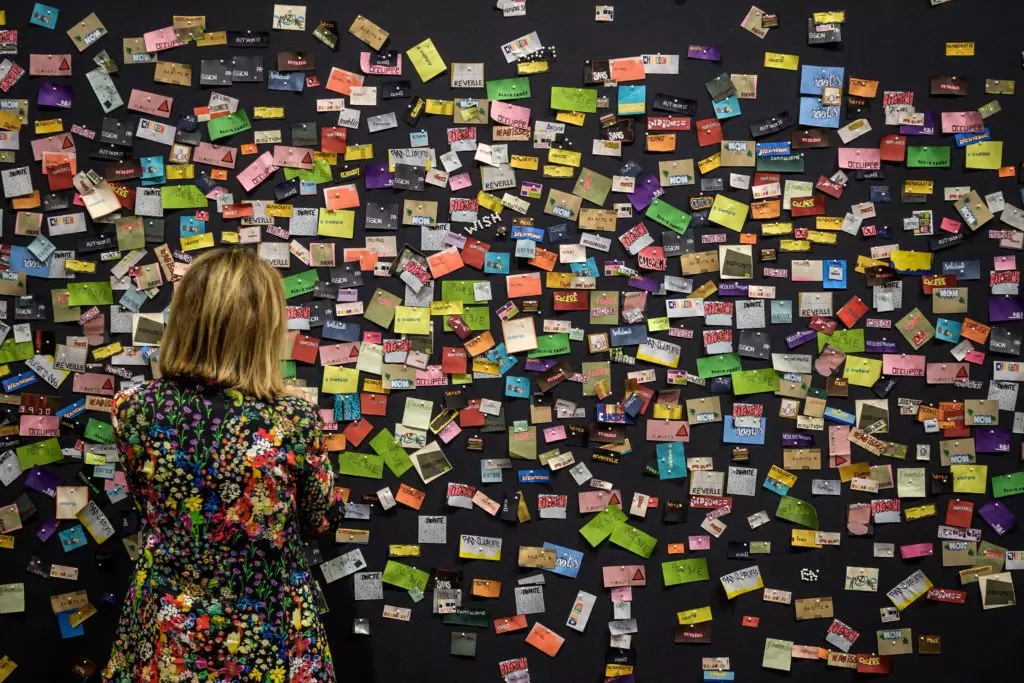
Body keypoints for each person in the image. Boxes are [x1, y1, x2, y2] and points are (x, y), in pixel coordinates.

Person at [102, 248, 337, 683]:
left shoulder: (132, 409)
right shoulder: (293, 419)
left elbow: (148, 504)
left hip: (169, 626)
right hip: (268, 628)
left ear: (186, 317)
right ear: (263, 327)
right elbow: (316, 520)